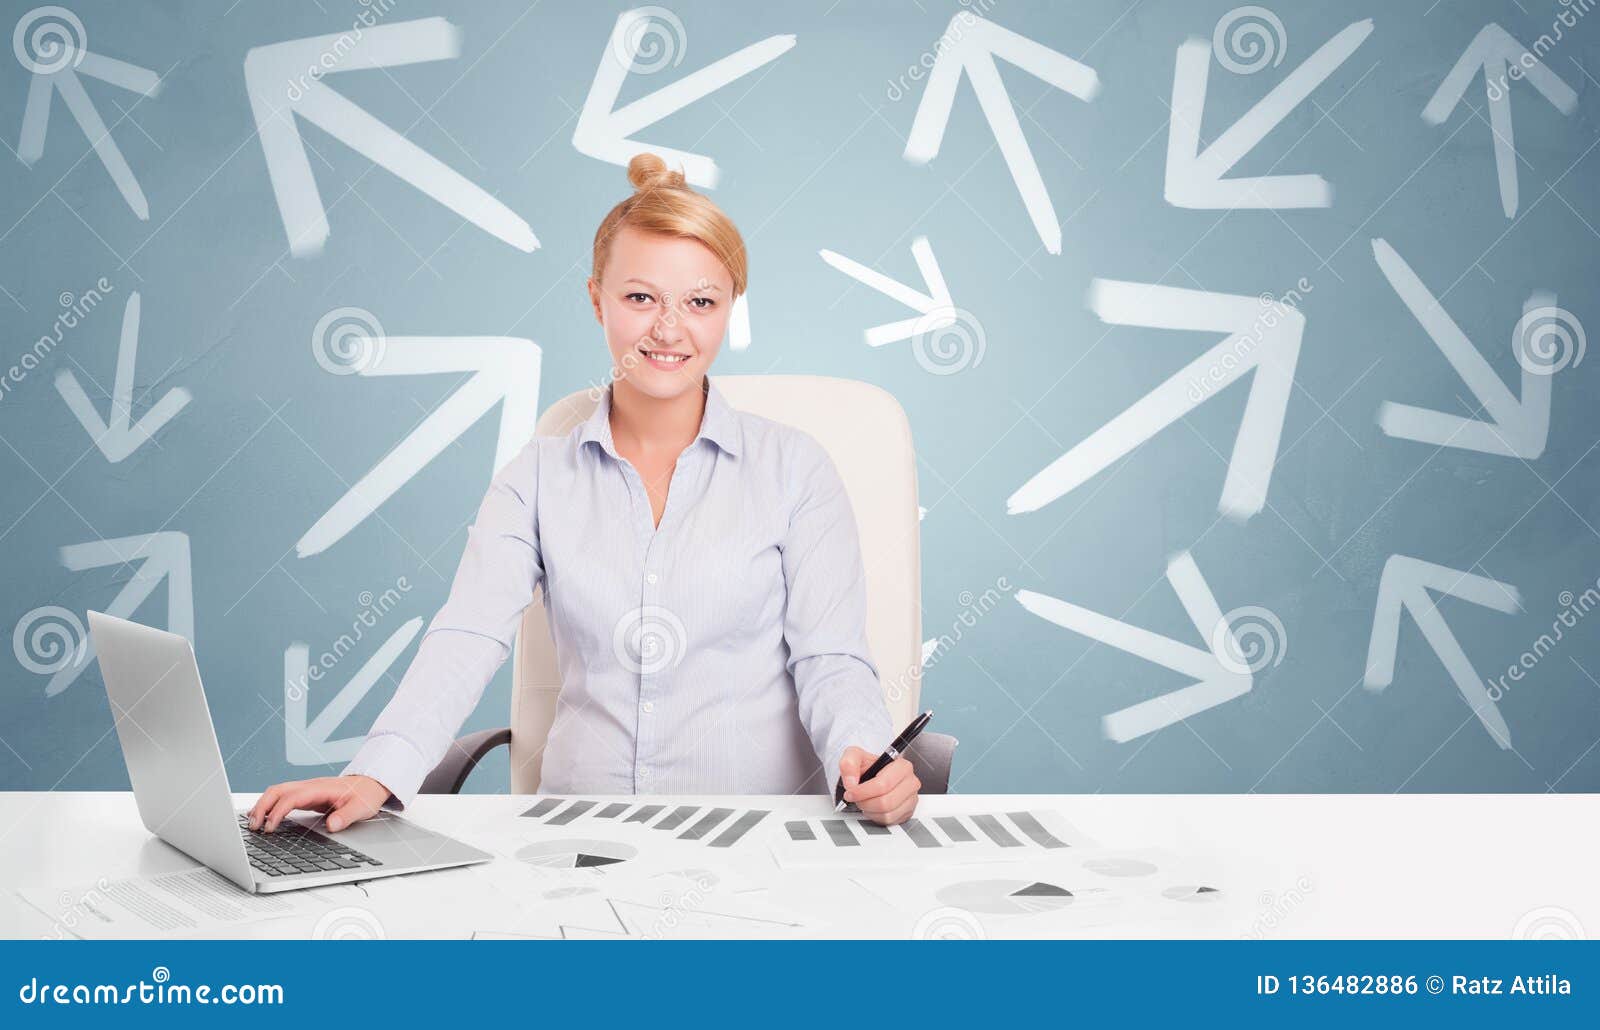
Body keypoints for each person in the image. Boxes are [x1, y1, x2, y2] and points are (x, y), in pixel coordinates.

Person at [249, 152, 920, 834]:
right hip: (578, 838)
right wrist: (377, 772)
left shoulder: (796, 469)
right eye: (640, 298)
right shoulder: (537, 476)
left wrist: (862, 756)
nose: (668, 328)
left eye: (700, 303)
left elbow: (830, 657)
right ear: (596, 297)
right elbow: (467, 635)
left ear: (728, 311)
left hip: (754, 839)